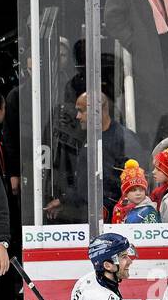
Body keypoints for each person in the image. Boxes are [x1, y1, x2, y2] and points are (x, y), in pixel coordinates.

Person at [103, 0, 168, 145]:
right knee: (153, 110)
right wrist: (135, 43)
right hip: (148, 58)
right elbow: (112, 17)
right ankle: (156, 160)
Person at [45, 92, 145, 221]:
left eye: (81, 111)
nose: (77, 116)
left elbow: (136, 184)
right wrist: (65, 201)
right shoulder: (91, 137)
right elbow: (85, 183)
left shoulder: (125, 140)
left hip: (114, 219)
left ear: (97, 111)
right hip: (89, 215)